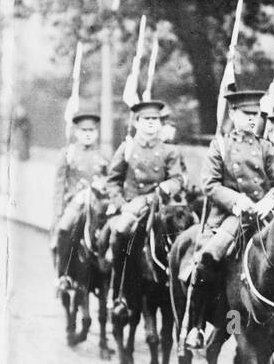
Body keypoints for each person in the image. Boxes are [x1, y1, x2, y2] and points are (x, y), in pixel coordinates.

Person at [180, 89, 274, 350]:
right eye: (247, 114)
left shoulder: (265, 147)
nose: (253, 119)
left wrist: (268, 201)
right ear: (233, 114)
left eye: (257, 115)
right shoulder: (219, 145)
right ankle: (196, 325)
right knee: (208, 258)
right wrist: (236, 200)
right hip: (229, 217)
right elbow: (209, 184)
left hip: (263, 216)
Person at [103, 99, 189, 315]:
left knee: (186, 232)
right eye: (146, 119)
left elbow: (178, 178)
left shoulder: (169, 150)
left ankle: (180, 289)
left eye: (155, 119)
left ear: (160, 123)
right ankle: (120, 293)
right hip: (134, 205)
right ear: (137, 123)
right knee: (121, 231)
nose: (151, 123)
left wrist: (167, 186)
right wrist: (120, 204)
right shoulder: (127, 148)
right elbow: (113, 180)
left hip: (161, 204)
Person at [51, 107, 109, 253]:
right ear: (77, 132)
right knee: (64, 228)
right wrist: (58, 211)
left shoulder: (104, 154)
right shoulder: (68, 153)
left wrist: (103, 183)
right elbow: (59, 185)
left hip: (99, 203)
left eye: (92, 131)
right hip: (76, 202)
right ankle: (64, 273)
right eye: (84, 131)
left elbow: (112, 179)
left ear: (96, 133)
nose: (88, 134)